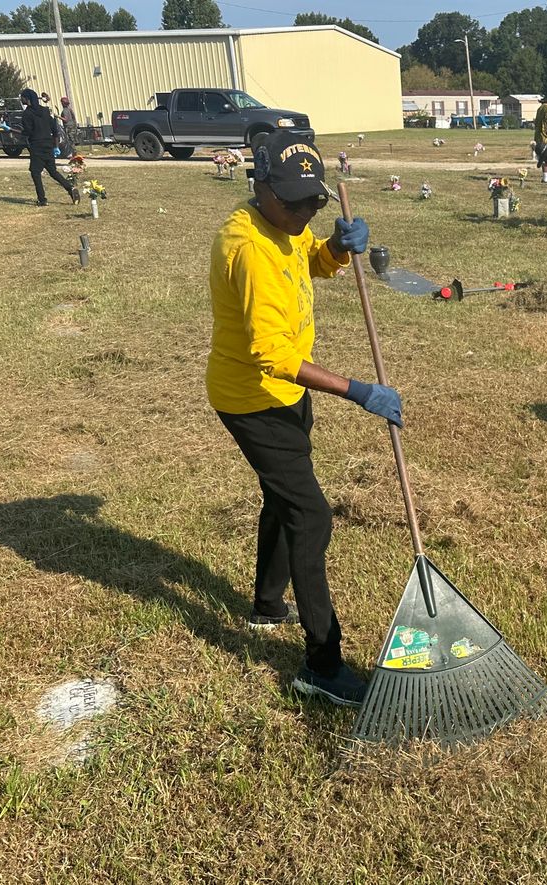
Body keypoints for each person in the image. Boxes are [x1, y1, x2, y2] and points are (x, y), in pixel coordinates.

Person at [207, 130, 400, 707]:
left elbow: (309, 261)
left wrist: (337, 248)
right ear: (259, 186)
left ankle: (268, 604)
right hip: (254, 399)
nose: (303, 213)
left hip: (284, 396)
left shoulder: (284, 224)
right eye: (293, 203)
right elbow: (274, 355)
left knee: (283, 500)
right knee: (311, 515)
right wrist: (358, 390)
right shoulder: (248, 249)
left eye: (314, 202)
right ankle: (321, 664)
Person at [17, 88, 79, 207]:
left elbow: (27, 132)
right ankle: (70, 188)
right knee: (53, 171)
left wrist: (12, 130)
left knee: (35, 172)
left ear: (27, 99)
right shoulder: (45, 111)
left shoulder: (27, 114)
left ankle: (42, 199)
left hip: (36, 146)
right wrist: (55, 146)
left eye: (23, 97)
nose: (21, 99)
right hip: (48, 144)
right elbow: (55, 130)